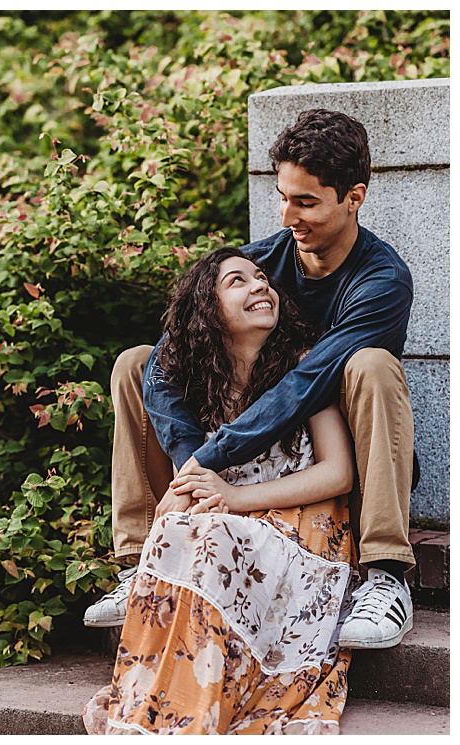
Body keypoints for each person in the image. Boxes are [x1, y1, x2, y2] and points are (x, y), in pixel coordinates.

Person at [85, 109, 416, 650]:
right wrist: (191, 470)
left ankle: (385, 574)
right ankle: (142, 562)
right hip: (238, 454)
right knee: (136, 363)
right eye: (282, 197)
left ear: (353, 198)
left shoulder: (381, 281)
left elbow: (307, 381)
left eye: (306, 202)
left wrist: (209, 461)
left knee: (372, 366)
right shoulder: (260, 262)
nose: (288, 216)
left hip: (339, 454)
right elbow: (168, 361)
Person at [83, 247, 357, 734]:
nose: (260, 285)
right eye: (238, 281)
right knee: (182, 532)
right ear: (208, 310)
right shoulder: (191, 379)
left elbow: (338, 473)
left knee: (210, 537)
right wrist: (201, 503)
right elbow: (192, 482)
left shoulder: (302, 363)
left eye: (262, 278)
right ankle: (168, 703)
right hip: (231, 518)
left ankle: (199, 708)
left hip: (302, 520)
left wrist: (235, 499)